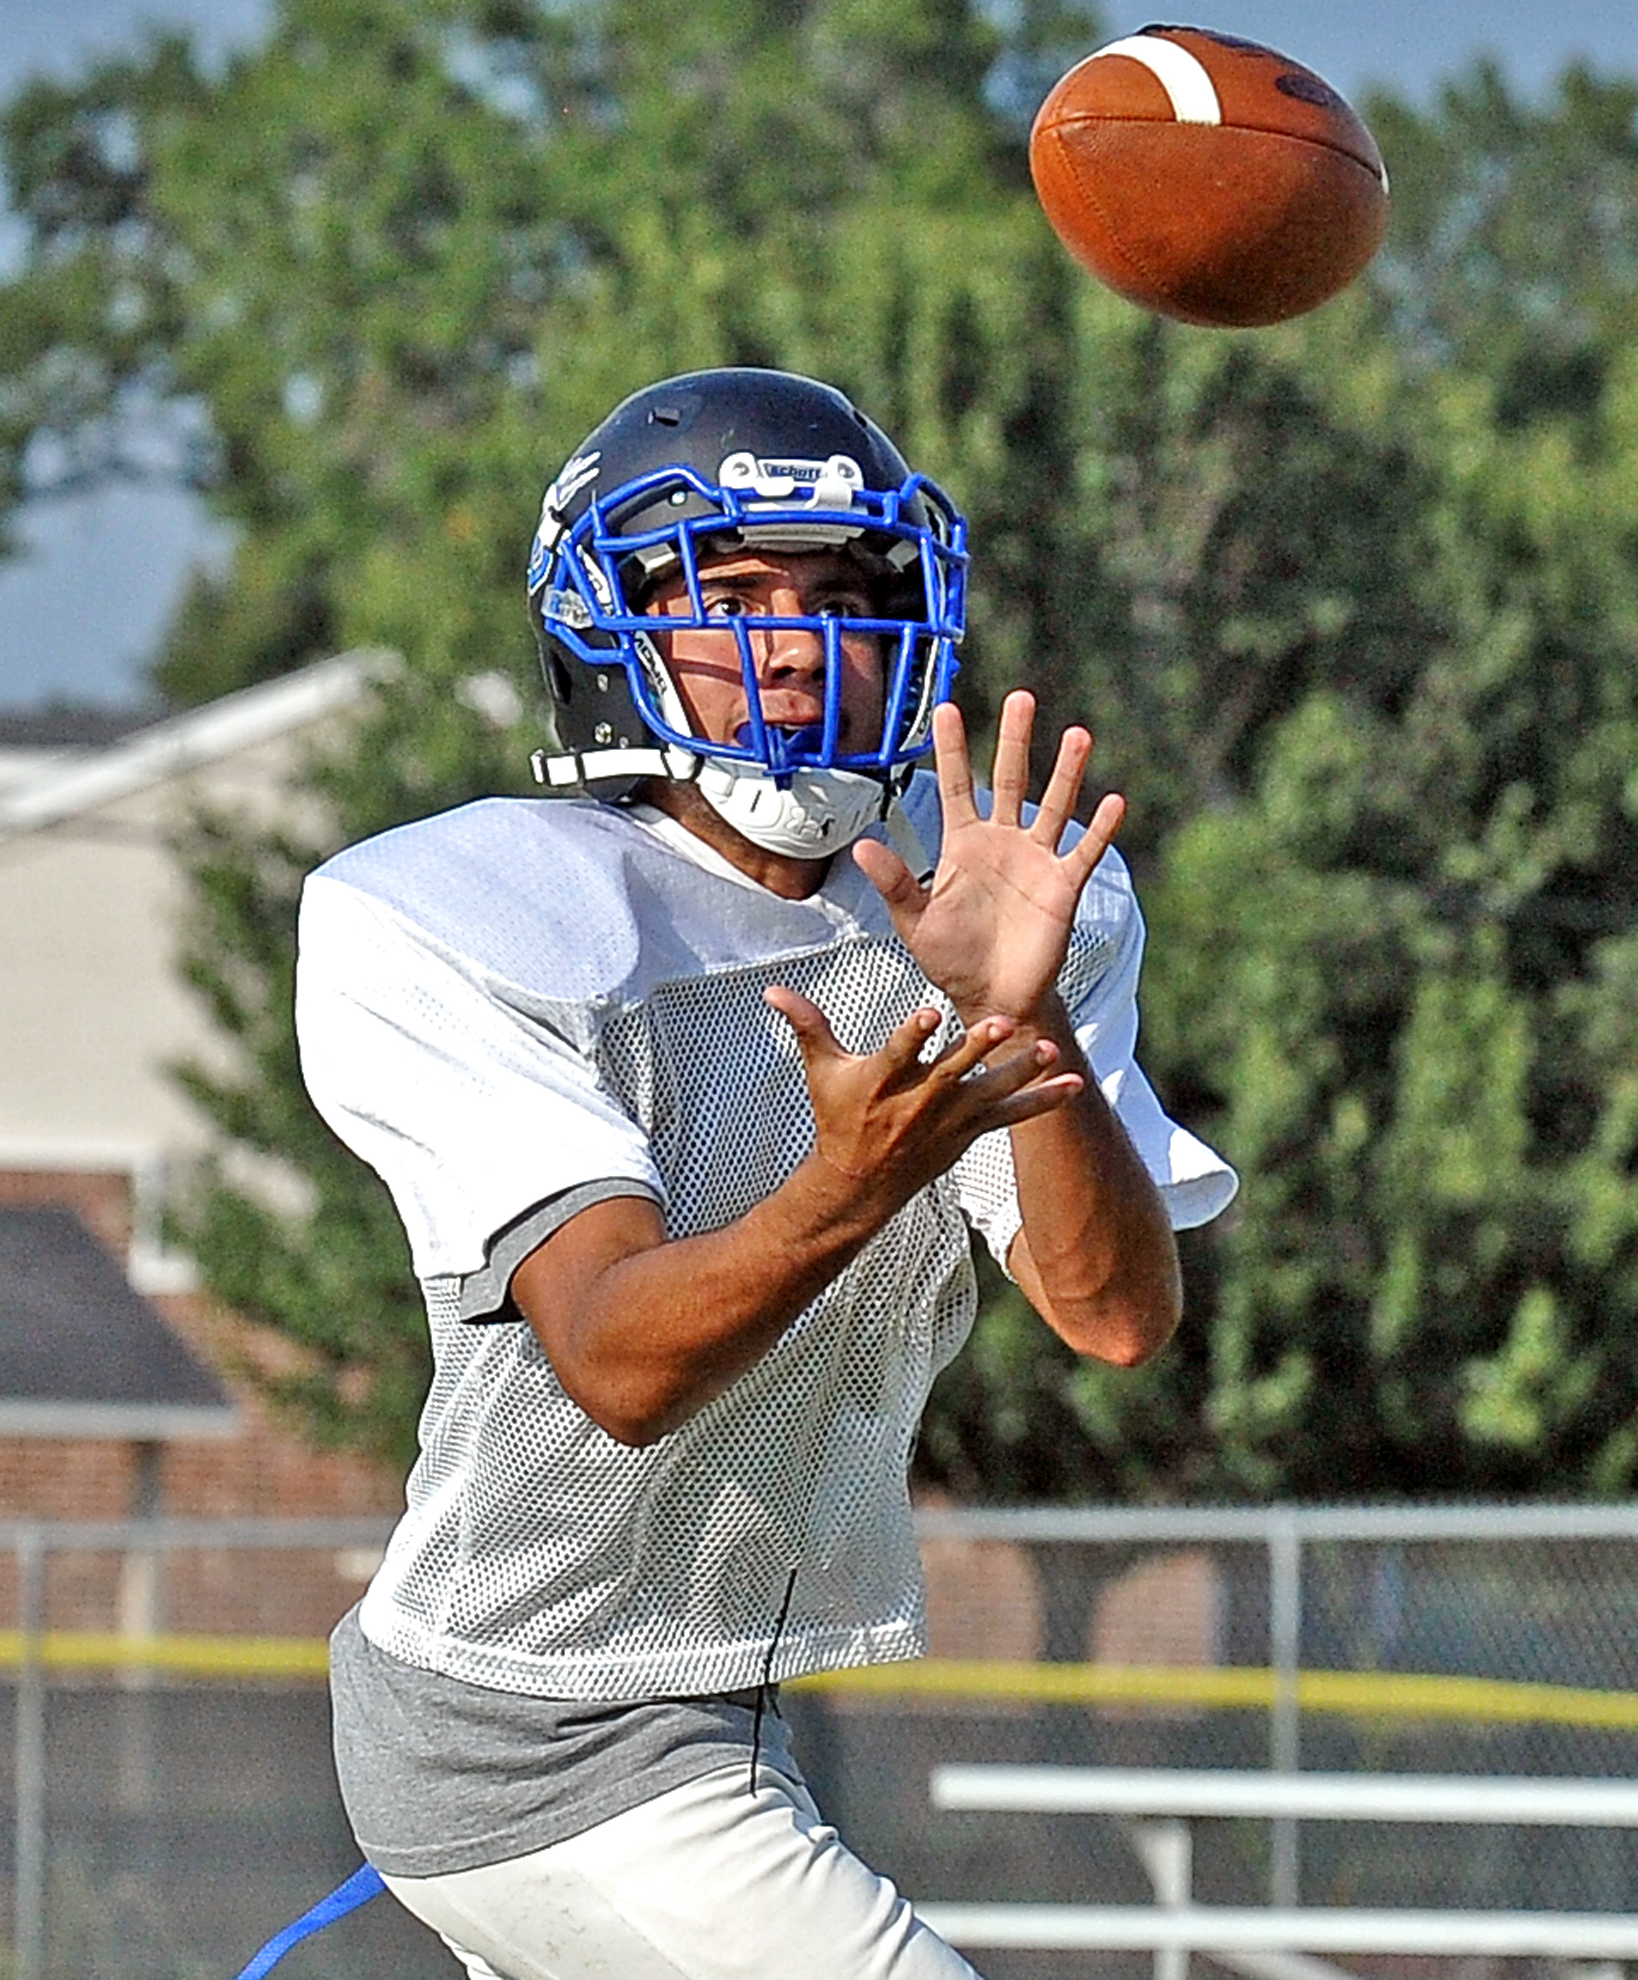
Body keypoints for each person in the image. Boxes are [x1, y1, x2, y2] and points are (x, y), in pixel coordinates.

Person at [294, 366, 1237, 1980]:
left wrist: (1028, 1029)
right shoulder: (455, 913)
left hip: (715, 1692)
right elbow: (616, 1362)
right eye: (730, 593)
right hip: (530, 1728)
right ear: (614, 631)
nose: (795, 641)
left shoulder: (977, 902)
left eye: (841, 595)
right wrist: (854, 1180)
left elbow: (1111, 1314)